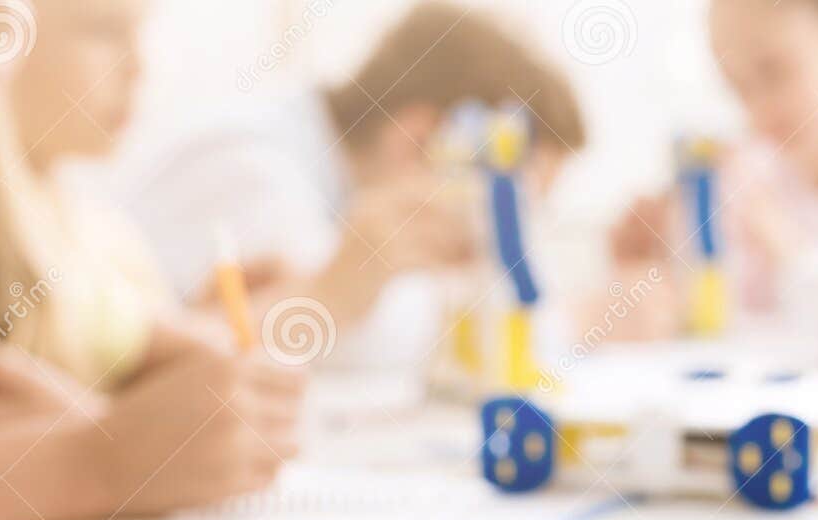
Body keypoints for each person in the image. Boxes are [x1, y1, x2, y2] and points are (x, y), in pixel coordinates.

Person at [0, 0, 304, 520]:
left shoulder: (6, 221)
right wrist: (91, 461)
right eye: (101, 31)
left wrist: (101, 427)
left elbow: (169, 354)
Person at [123, 1, 586, 367]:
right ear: (420, 139)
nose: (509, 231)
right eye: (511, 209)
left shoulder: (326, 169)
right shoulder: (246, 166)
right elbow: (345, 344)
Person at [606, 0, 818, 345]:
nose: (758, 114)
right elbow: (704, 332)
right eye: (739, 88)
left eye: (773, 71)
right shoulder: (740, 191)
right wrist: (646, 278)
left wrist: (793, 257)